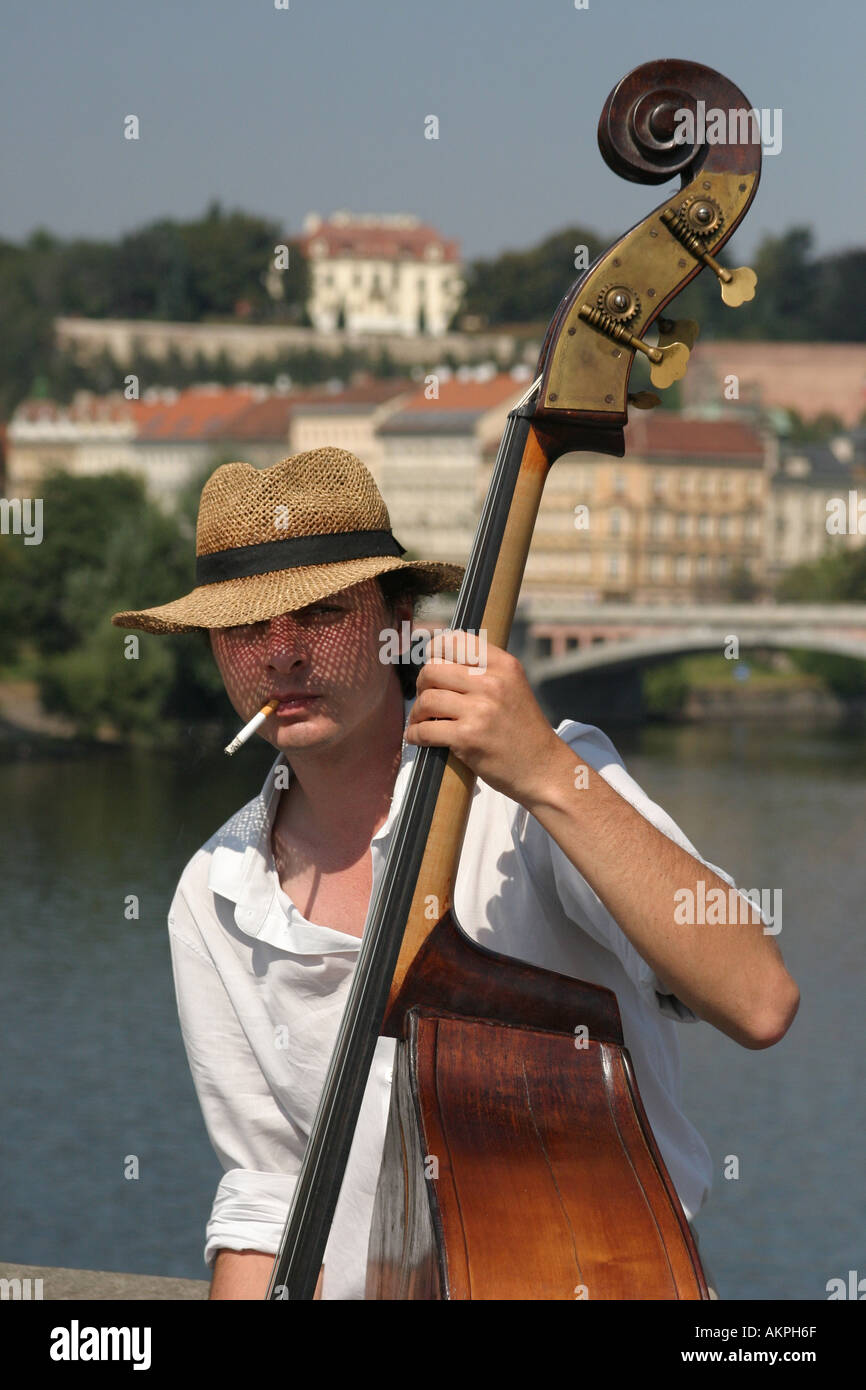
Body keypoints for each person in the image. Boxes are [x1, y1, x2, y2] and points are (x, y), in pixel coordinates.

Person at [112, 446, 799, 1301]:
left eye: (322, 612)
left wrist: (547, 770)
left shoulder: (537, 785)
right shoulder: (211, 893)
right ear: (212, 648)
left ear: (400, 619)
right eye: (246, 627)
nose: (281, 655)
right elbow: (267, 1198)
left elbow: (758, 999)